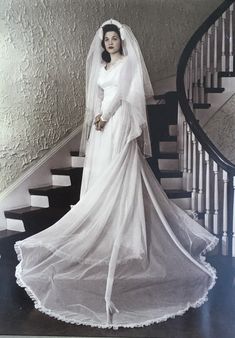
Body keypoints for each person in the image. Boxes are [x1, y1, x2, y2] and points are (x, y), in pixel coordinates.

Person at [14, 19, 218, 329]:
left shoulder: (127, 64)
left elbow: (125, 95)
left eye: (114, 38)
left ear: (122, 41)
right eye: (107, 39)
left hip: (117, 120)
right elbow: (98, 96)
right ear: (103, 43)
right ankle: (105, 232)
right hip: (101, 125)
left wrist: (105, 117)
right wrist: (96, 119)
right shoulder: (103, 66)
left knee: (122, 174)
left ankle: (131, 239)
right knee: (104, 174)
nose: (111, 43)